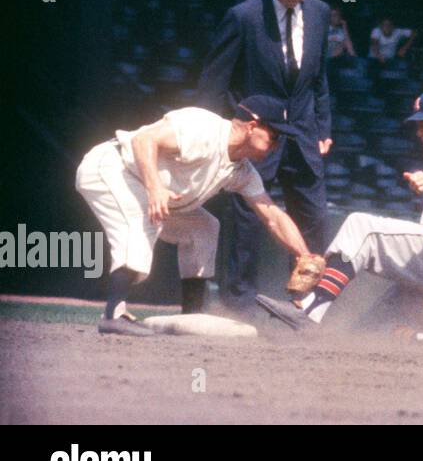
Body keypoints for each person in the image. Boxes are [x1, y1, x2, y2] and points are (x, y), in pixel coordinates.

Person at [256, 90, 423, 343]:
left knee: (361, 226)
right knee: (367, 334)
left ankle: (309, 312)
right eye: (419, 126)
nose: (420, 132)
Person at [74, 97, 312, 335]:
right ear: (252, 126)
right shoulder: (204, 128)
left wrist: (304, 254)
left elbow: (272, 215)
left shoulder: (242, 171)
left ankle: (191, 316)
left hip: (153, 190)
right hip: (113, 168)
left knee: (204, 228)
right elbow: (143, 139)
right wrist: (154, 187)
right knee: (140, 221)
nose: (276, 145)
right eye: (274, 136)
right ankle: (113, 314)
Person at [198, 0, 333, 311]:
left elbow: (319, 78)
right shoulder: (243, 16)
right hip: (257, 134)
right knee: (248, 219)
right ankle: (238, 304)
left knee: (315, 217)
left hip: (305, 135)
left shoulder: (320, 14)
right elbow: (215, 79)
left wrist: (324, 127)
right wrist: (218, 132)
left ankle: (306, 304)